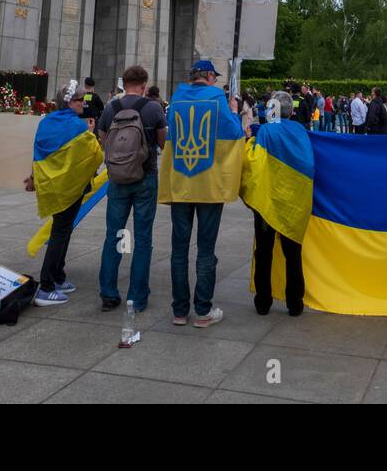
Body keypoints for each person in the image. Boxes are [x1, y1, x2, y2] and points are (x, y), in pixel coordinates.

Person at [159, 59, 242, 327]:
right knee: (206, 250)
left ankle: (180, 311)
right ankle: (203, 311)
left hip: (182, 183)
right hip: (208, 184)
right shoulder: (217, 98)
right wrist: (234, 114)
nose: (216, 82)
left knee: (179, 250)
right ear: (207, 76)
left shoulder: (177, 98)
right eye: (214, 77)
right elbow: (234, 133)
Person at [24, 85, 103, 306]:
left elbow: (38, 152)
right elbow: (95, 155)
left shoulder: (47, 122)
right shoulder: (77, 126)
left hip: (52, 185)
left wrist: (33, 177)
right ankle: (47, 286)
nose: (83, 103)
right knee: (60, 232)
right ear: (69, 102)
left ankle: (58, 276)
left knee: (63, 229)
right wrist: (91, 134)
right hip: (70, 188)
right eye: (79, 100)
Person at [97, 65, 167, 313]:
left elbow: (104, 142)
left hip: (117, 179)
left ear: (123, 84)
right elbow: (161, 142)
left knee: (114, 235)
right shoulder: (153, 108)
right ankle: (137, 297)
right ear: (144, 85)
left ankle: (108, 293)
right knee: (143, 237)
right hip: (145, 177)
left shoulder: (110, 108)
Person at [243, 91, 309, 316]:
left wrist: (248, 140)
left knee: (264, 252)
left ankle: (263, 301)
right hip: (294, 204)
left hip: (268, 204)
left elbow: (253, 163)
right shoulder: (301, 132)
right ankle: (295, 303)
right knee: (293, 254)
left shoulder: (267, 132)